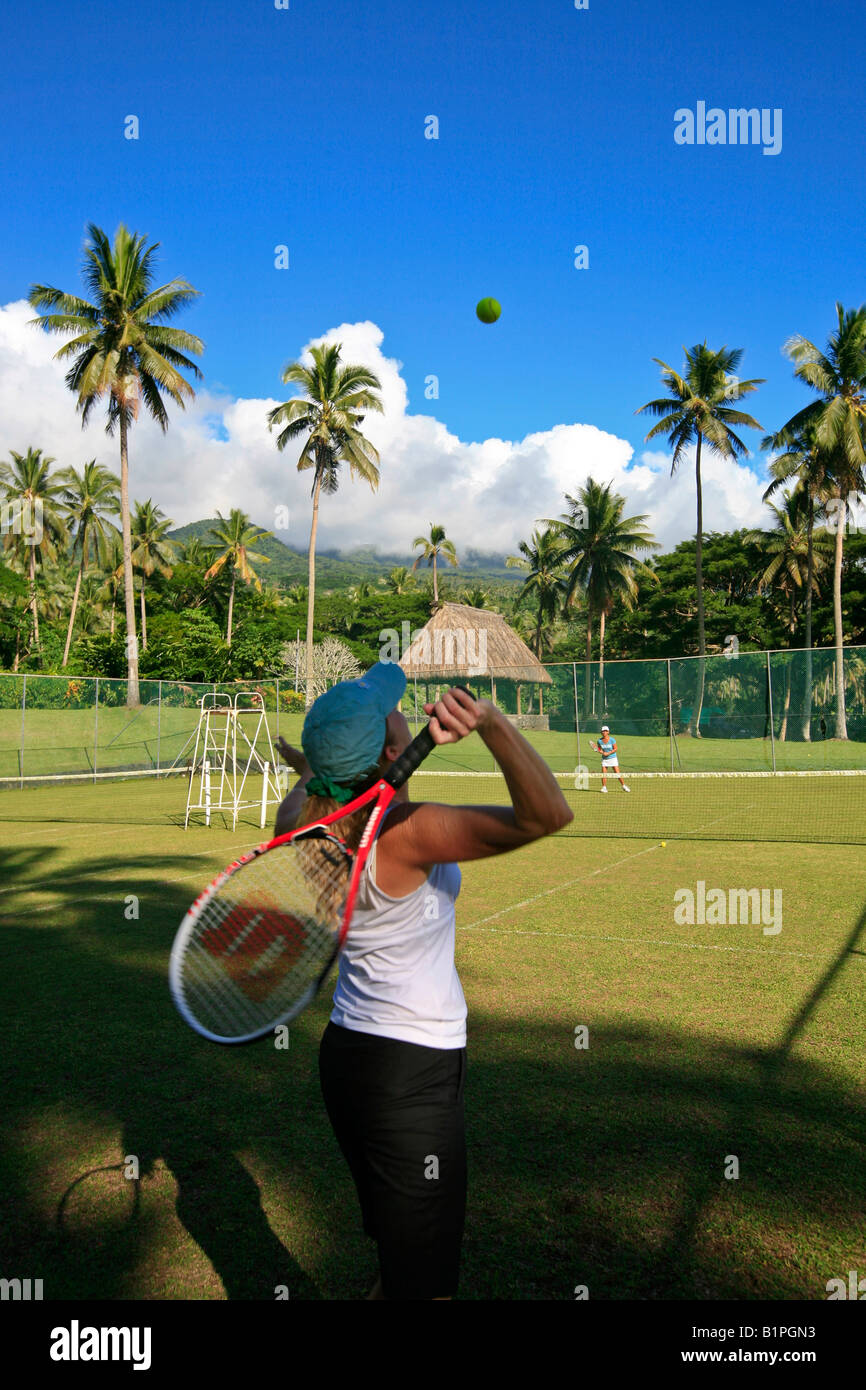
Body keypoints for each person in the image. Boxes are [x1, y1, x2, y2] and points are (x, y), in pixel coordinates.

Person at [273, 662, 572, 1301]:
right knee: (428, 1288)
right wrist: (491, 723)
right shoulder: (407, 835)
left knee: (401, 1264)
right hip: (409, 1078)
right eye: (393, 714)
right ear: (389, 749)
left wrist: (318, 763)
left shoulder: (301, 817)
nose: (403, 713)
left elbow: (315, 783)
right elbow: (547, 813)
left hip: (350, 1058)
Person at [590, 724, 630, 792]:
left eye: (606, 731)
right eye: (603, 731)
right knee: (604, 774)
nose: (604, 732)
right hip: (604, 760)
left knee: (617, 773)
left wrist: (608, 753)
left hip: (613, 758)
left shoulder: (612, 740)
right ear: (601, 732)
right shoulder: (599, 741)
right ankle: (604, 787)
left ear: (608, 732)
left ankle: (623, 786)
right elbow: (599, 749)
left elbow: (615, 749)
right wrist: (602, 753)